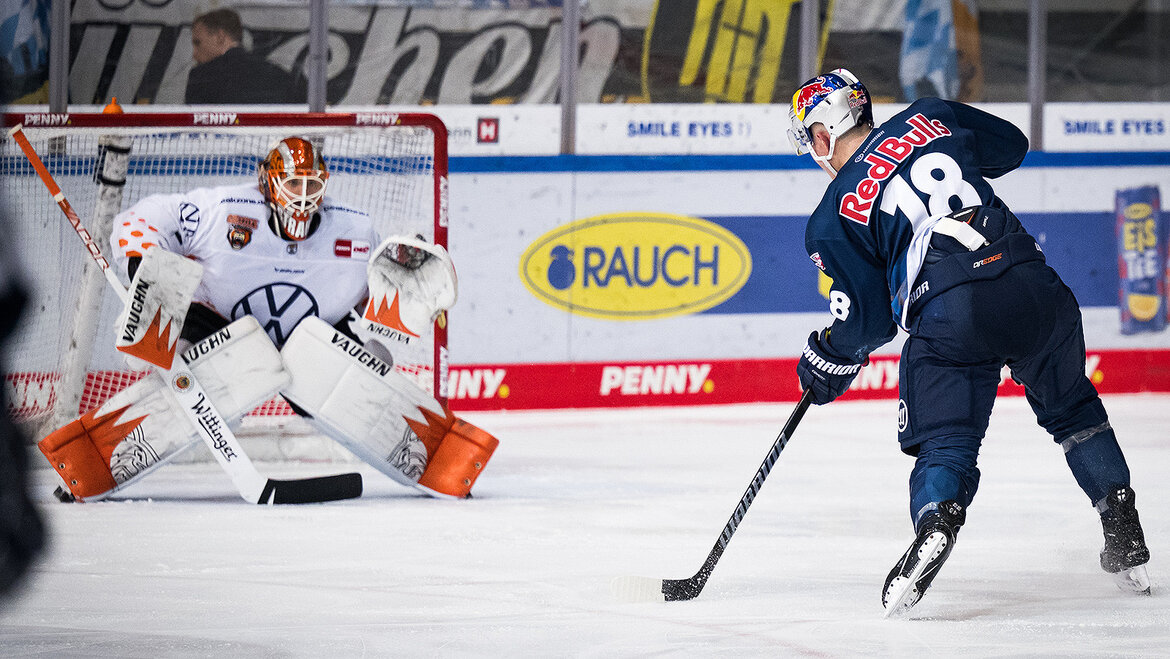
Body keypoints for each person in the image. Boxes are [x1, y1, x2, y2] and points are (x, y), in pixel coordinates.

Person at [787, 69, 1151, 614]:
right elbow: (1012, 146)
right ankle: (1119, 512)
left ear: (820, 136)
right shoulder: (932, 114)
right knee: (1073, 408)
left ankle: (937, 521)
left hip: (953, 310)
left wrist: (827, 358)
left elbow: (868, 322)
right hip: (1033, 284)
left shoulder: (831, 217)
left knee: (947, 441)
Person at [38, 137, 496, 503]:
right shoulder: (222, 213)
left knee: (358, 360)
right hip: (215, 332)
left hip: (308, 350)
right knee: (226, 348)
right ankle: (88, 462)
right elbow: (142, 217)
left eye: (310, 186)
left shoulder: (354, 231)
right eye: (292, 185)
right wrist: (146, 262)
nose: (302, 198)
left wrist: (401, 280)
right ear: (268, 183)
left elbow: (373, 306)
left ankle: (448, 461)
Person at [185, 8, 306, 104]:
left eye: (197, 43)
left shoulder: (201, 77)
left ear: (220, 37)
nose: (194, 54)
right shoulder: (279, 76)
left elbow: (196, 129)